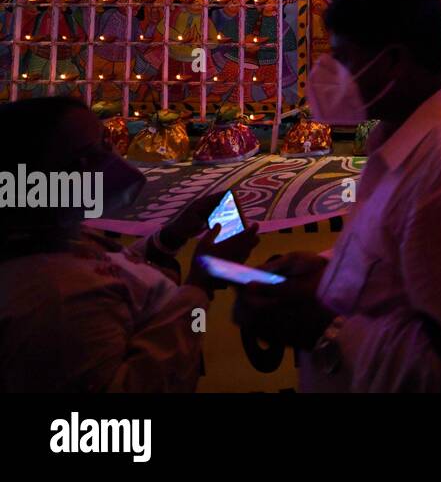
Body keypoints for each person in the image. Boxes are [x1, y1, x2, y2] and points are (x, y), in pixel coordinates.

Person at [232, 0, 441, 392]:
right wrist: (327, 269)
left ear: (393, 62)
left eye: (344, 59)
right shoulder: (395, 139)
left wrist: (326, 328)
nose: (330, 77)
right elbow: (393, 272)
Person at [0, 97, 257, 393]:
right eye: (93, 151)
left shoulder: (52, 235)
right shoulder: (52, 301)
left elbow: (106, 273)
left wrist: (170, 238)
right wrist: (201, 285)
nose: (111, 156)